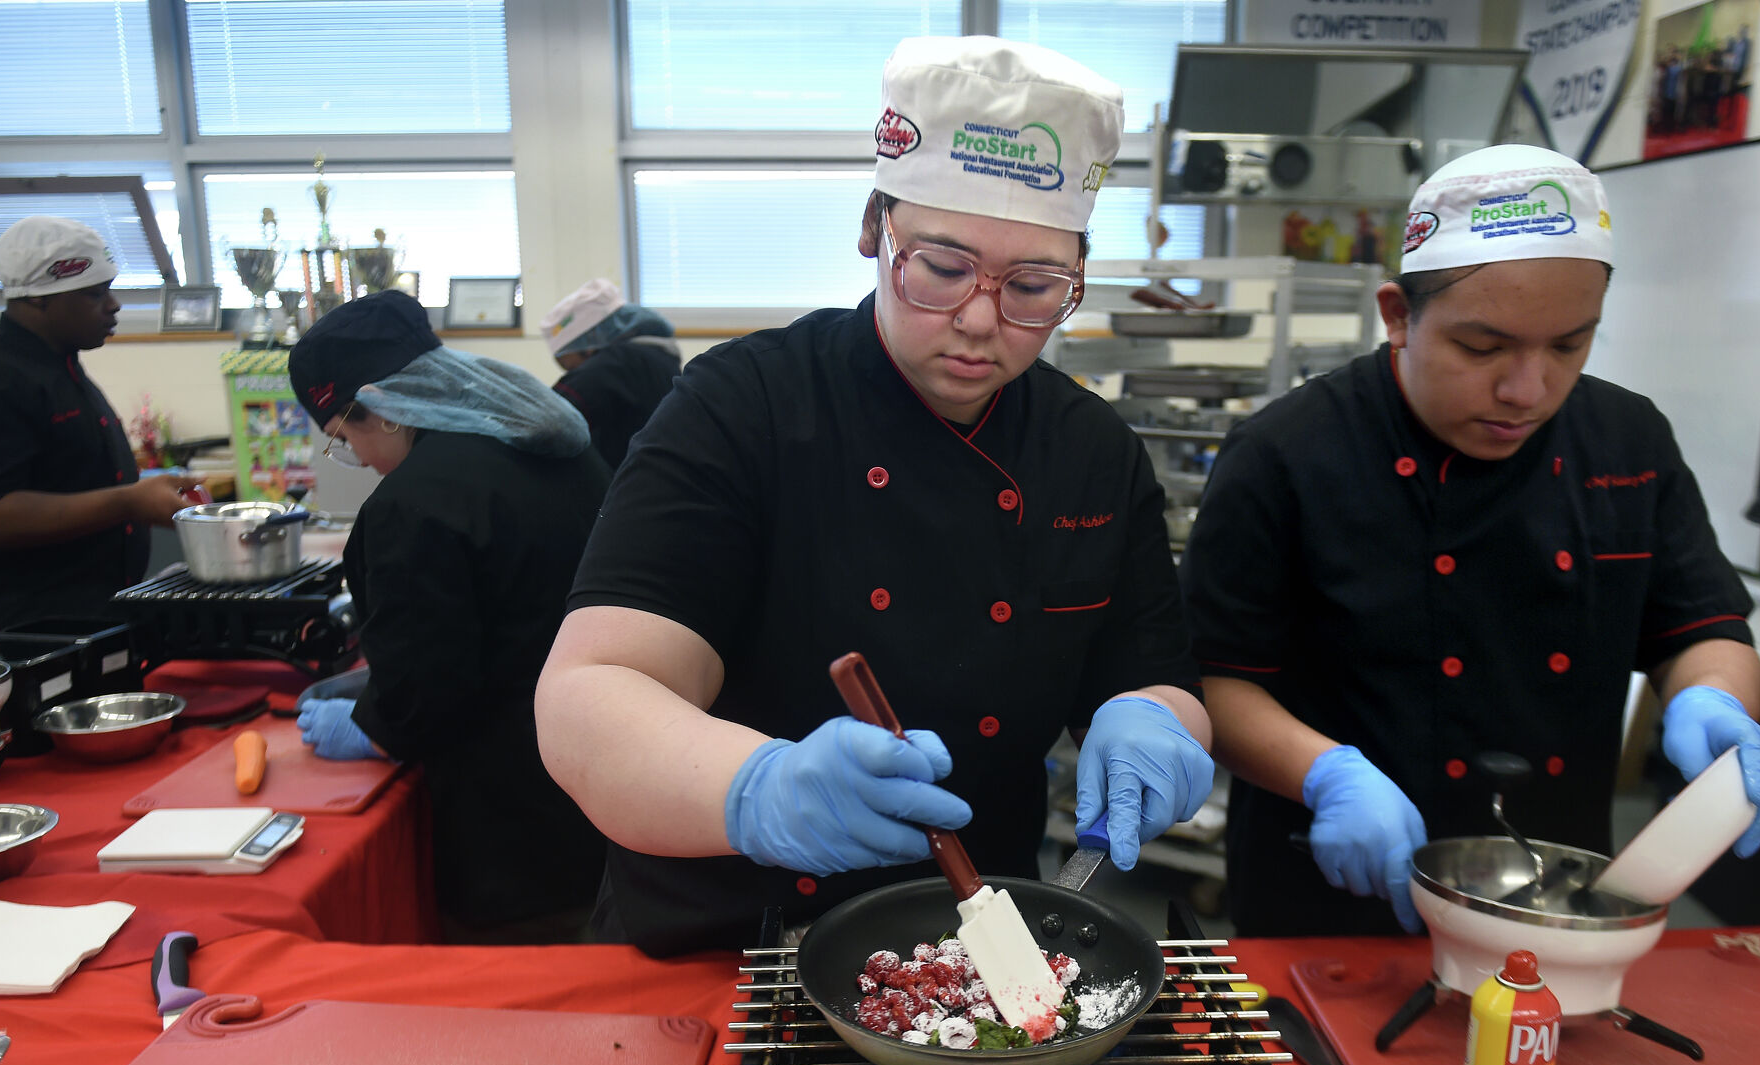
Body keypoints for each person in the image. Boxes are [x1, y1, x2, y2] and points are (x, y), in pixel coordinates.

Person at [537, 37, 1215, 957]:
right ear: (873, 230)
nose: (981, 320)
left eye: (1034, 287)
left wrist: (1158, 721)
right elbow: (589, 695)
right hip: (724, 938)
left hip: (973, 938)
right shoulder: (742, 407)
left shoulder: (1091, 450)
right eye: (940, 266)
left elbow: (1149, 675)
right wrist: (758, 788)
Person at [1180, 145, 1760, 937]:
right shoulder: (1286, 454)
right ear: (1397, 315)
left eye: (1569, 345)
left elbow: (1701, 627)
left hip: (1561, 890)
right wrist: (1325, 773)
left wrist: (1714, 696)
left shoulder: (1627, 441)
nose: (1526, 390)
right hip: (1334, 896)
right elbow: (1214, 682)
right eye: (1482, 347)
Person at [285, 289, 613, 940]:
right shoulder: (550, 444)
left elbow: (427, 694)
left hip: (514, 827)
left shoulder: (414, 504)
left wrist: (372, 719)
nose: (363, 461)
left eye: (345, 440)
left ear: (378, 407)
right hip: (605, 786)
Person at [0, 217, 189, 630]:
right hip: (28, 635)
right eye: (93, 294)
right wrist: (130, 501)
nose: (113, 305)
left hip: (91, 619)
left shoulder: (58, 368)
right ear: (39, 298)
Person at [539, 281, 682, 477]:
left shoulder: (609, 367)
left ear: (588, 346)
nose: (572, 374)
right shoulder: (657, 354)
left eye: (571, 367)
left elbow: (545, 419)